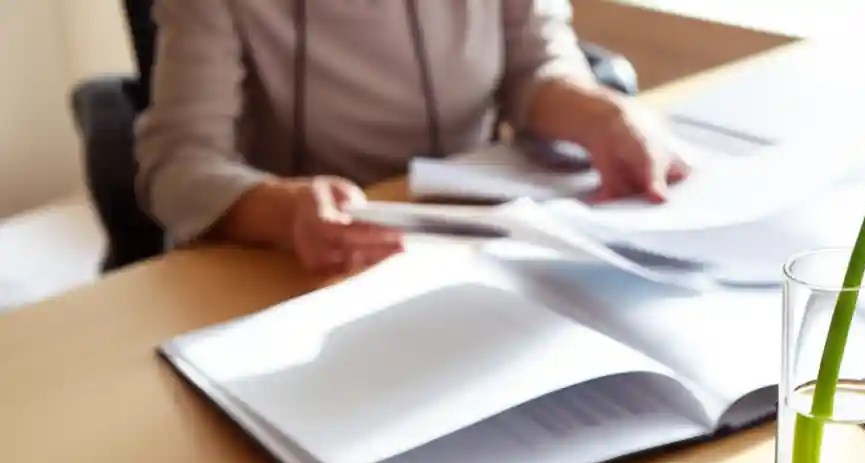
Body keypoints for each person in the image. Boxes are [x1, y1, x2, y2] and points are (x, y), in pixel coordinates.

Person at [136, 0, 688, 275]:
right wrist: (284, 208)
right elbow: (179, 160)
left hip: (479, 245)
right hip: (309, 266)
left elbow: (535, 65)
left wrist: (602, 115)